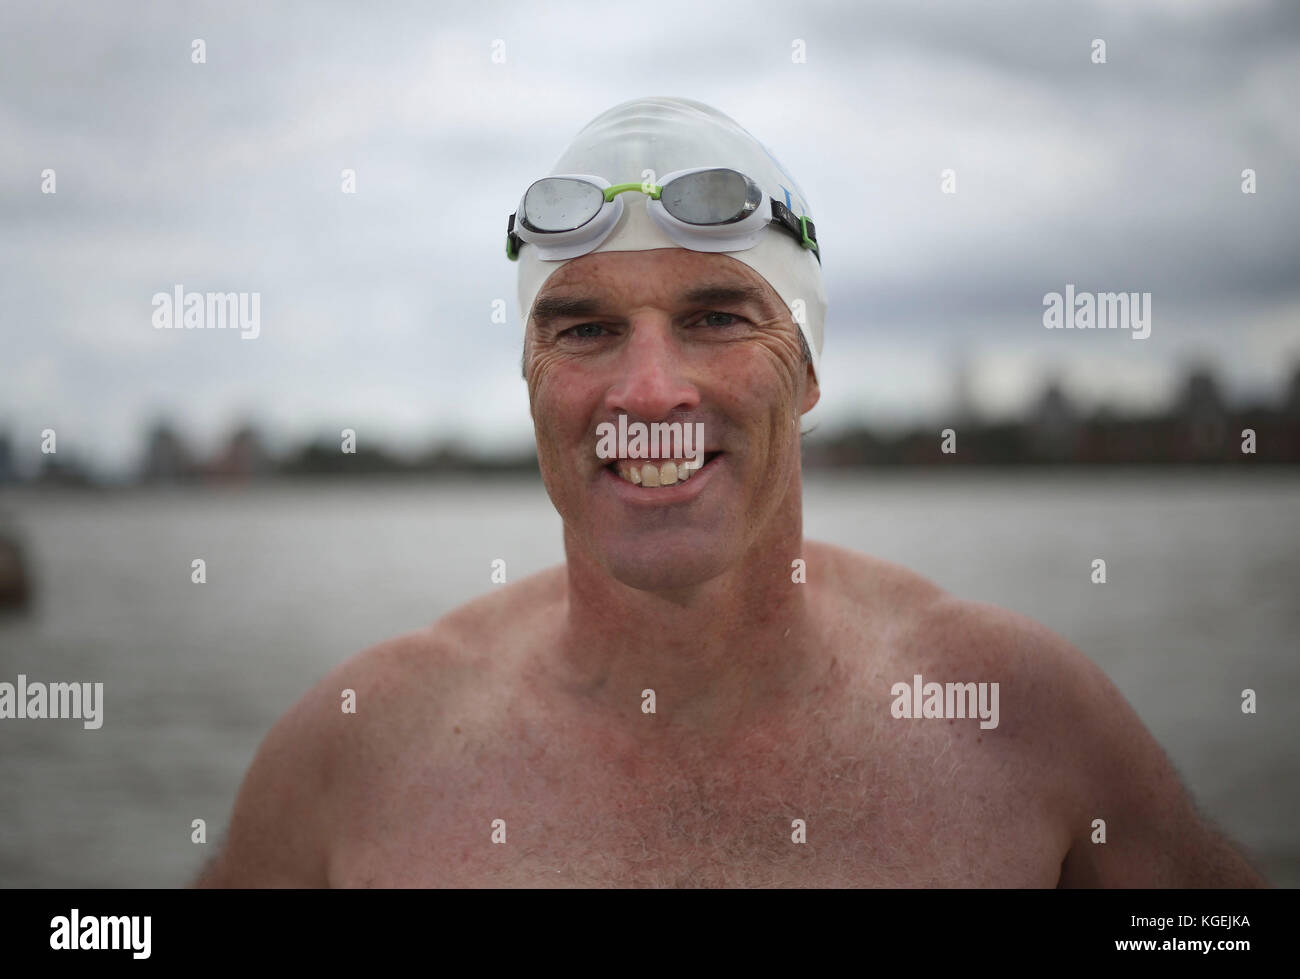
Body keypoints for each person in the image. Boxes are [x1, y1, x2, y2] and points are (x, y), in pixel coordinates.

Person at [196, 97, 1266, 887]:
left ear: (804, 373)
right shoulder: (359, 749)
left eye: (714, 316)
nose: (649, 390)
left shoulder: (1019, 719)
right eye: (585, 328)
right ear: (530, 381)